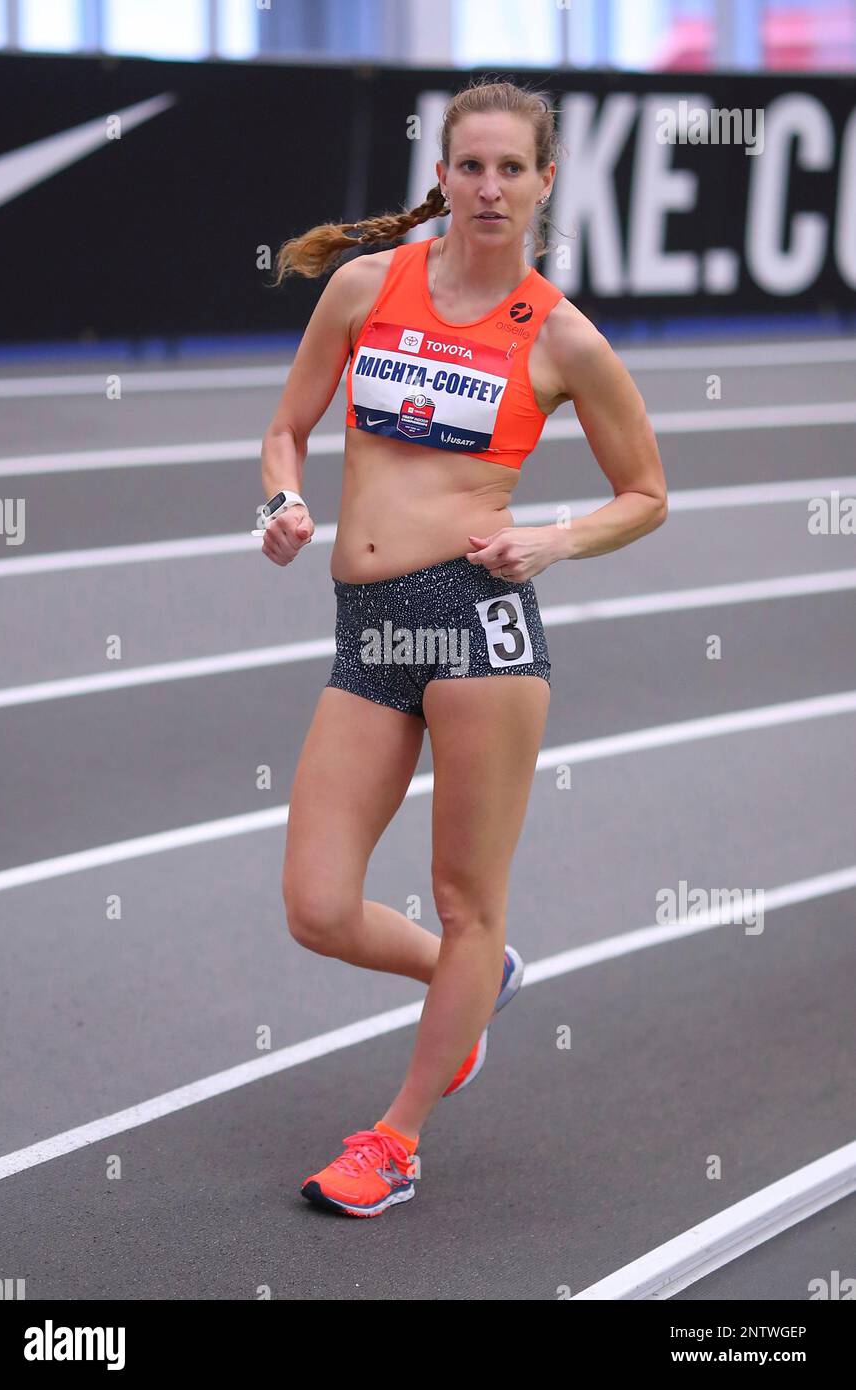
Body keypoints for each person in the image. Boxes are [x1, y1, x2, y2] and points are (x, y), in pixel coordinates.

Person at [260, 78, 667, 1218]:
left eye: (512, 169)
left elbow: (647, 493)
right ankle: (477, 986)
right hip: (369, 627)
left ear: (544, 184)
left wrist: (555, 538)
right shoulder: (363, 286)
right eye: (470, 165)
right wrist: (280, 506)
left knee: (462, 901)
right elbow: (287, 429)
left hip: (478, 620)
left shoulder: (563, 334)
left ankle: (396, 1136)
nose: (489, 186)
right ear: (440, 172)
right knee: (318, 907)